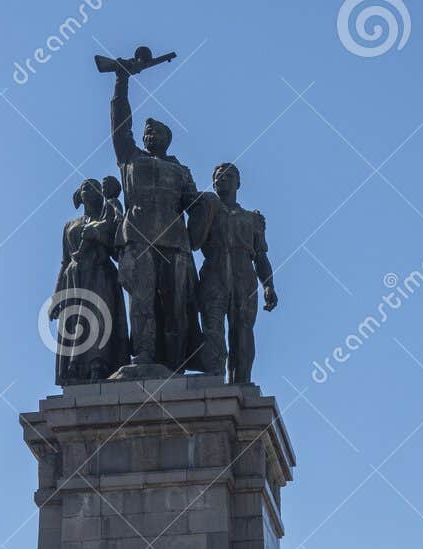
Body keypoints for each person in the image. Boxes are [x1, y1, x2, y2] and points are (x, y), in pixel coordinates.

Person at [108, 66, 202, 372]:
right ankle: (144, 353)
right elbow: (120, 125)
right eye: (147, 132)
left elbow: (197, 207)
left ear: (167, 139)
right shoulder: (130, 158)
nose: (149, 135)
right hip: (137, 237)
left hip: (175, 242)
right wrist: (121, 82)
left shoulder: (181, 171)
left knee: (175, 305)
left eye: (156, 132)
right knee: (142, 301)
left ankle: (175, 360)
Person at [195, 162, 277, 384]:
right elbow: (193, 242)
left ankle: (241, 382)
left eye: (229, 176)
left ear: (238, 183)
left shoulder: (252, 219)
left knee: (242, 332)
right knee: (212, 329)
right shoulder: (208, 209)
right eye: (219, 176)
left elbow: (260, 256)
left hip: (244, 276)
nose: (223, 179)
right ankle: (214, 378)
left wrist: (268, 285)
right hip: (214, 271)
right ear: (213, 183)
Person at [49, 177, 129, 385]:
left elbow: (117, 249)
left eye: (94, 188)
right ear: (80, 195)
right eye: (86, 187)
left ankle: (98, 365)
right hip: (74, 277)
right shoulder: (70, 225)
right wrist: (56, 297)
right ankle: (74, 367)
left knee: (98, 318)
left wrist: (98, 236)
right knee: (75, 322)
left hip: (101, 273)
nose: (90, 190)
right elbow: (65, 261)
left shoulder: (108, 218)